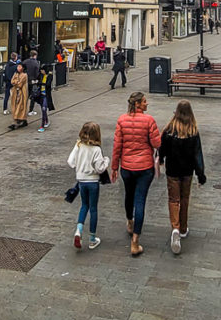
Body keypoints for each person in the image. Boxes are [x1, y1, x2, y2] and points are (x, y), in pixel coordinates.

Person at [111, 91, 162, 257]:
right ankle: (135, 241)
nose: (147, 104)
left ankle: (130, 220)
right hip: (144, 167)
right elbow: (157, 143)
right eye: (145, 101)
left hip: (126, 166)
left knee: (129, 195)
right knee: (140, 201)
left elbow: (117, 145)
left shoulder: (122, 120)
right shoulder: (149, 120)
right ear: (138, 104)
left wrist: (114, 167)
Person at [159, 101, 206, 254]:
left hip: (172, 170)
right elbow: (198, 154)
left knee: (173, 199)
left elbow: (162, 149)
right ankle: (183, 228)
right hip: (187, 171)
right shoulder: (193, 131)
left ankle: (175, 227)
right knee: (185, 198)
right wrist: (201, 174)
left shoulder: (169, 130)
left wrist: (160, 160)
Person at [68, 122, 110, 250]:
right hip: (93, 182)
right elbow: (99, 168)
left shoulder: (78, 145)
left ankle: (79, 230)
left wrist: (79, 167)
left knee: (84, 206)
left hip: (81, 181)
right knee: (93, 209)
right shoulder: (96, 149)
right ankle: (92, 238)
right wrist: (106, 161)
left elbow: (71, 162)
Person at [7, 64, 29, 129]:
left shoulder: (24, 75)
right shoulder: (15, 73)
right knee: (15, 106)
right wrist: (16, 81)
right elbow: (12, 81)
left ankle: (17, 120)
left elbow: (19, 84)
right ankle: (21, 119)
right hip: (15, 93)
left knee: (20, 106)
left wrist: (16, 82)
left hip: (22, 93)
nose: (18, 68)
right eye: (18, 66)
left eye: (20, 67)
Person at [22, 48, 40, 113]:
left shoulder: (25, 61)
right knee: (33, 96)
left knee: (26, 95)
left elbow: (22, 69)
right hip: (33, 81)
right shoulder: (36, 63)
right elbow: (37, 73)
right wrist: (36, 79)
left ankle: (23, 109)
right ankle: (30, 110)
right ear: (35, 55)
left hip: (26, 80)